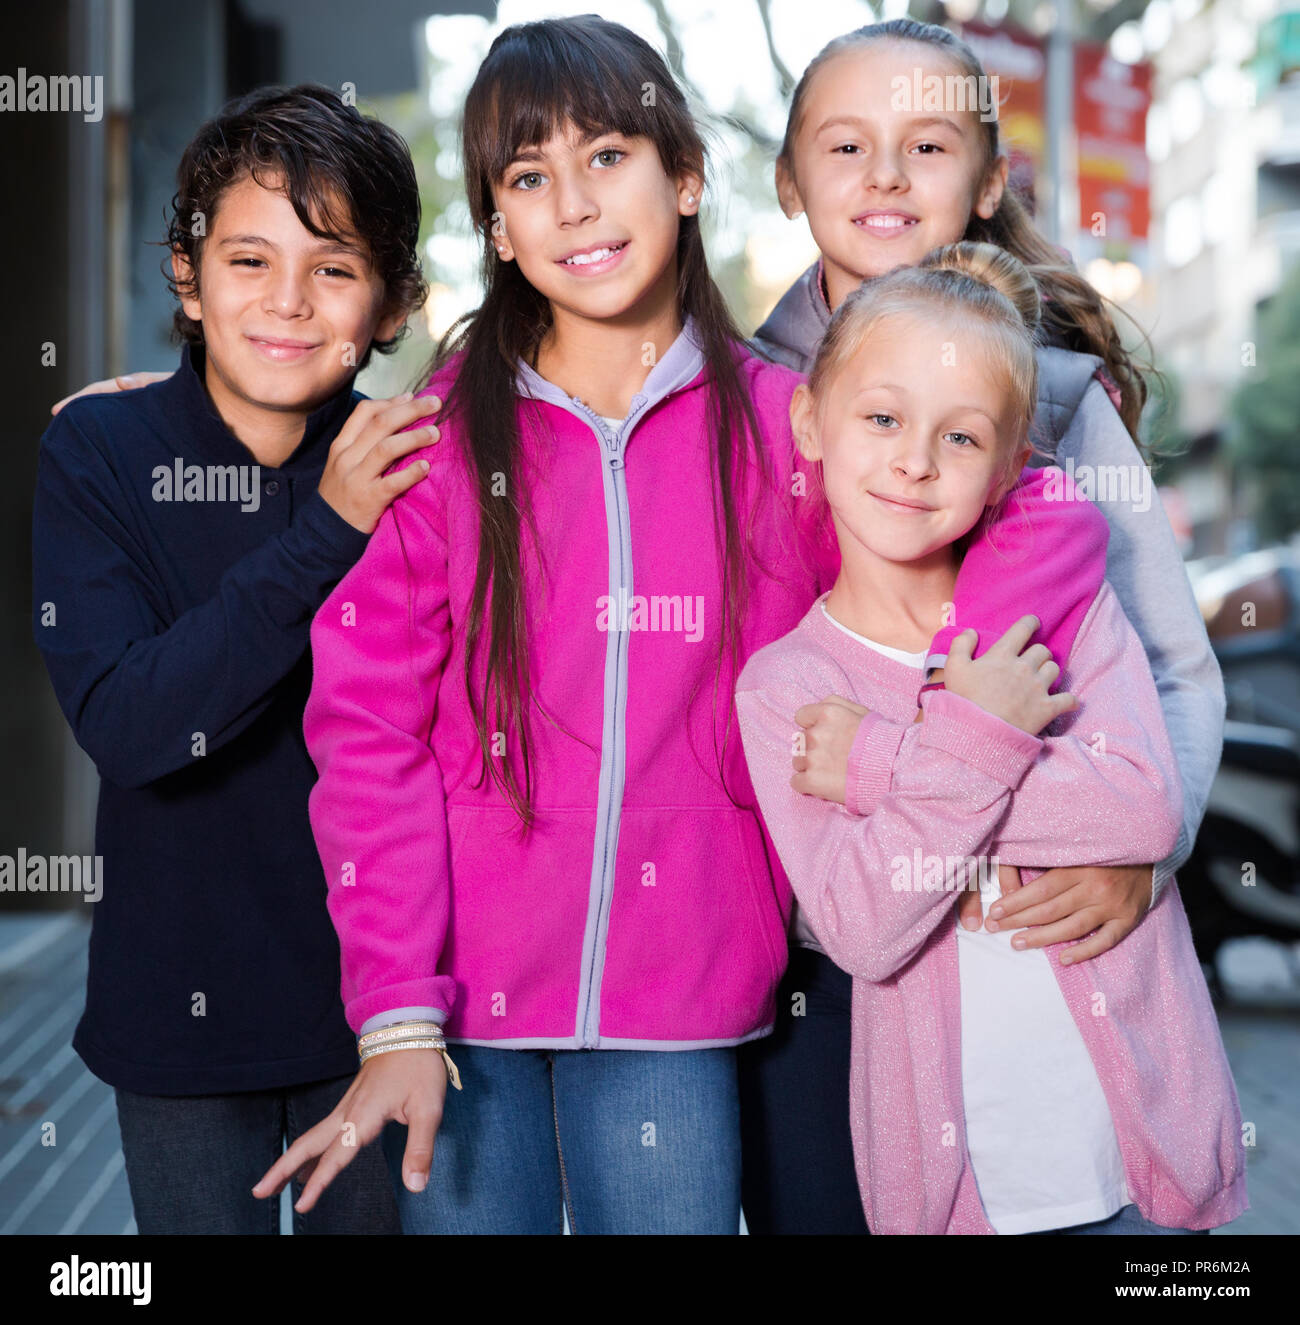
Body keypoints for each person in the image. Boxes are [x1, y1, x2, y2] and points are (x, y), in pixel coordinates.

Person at [250, 16, 1115, 1235]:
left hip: (687, 1000)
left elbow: (1038, 505)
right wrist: (395, 1012)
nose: (574, 206)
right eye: (528, 178)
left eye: (608, 157)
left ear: (689, 177)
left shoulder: (791, 426)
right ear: (496, 227)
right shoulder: (434, 443)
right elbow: (365, 733)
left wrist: (970, 687)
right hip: (457, 1015)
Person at [738, 18, 1226, 1234]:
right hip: (832, 951)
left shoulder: (1052, 399)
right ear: (789, 180)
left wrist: (1144, 856)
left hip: (1046, 924)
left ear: (990, 179)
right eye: (846, 145)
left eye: (927, 144)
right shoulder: (743, 395)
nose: (886, 175)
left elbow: (1171, 666)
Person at [31, 84, 436, 1234]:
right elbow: (129, 723)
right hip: (177, 1013)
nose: (287, 301)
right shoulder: (99, 449)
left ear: (394, 302)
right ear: (186, 275)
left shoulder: (413, 461)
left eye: (334, 268)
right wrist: (327, 529)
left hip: (380, 1011)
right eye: (248, 260)